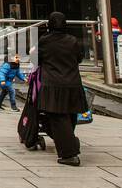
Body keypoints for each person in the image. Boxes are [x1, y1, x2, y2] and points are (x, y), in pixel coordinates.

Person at [37, 12, 87, 166]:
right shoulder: (72, 40)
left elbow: (38, 59)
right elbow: (79, 58)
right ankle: (69, 141)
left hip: (53, 84)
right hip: (72, 83)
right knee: (70, 116)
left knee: (58, 118)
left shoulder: (44, 41)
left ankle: (69, 153)